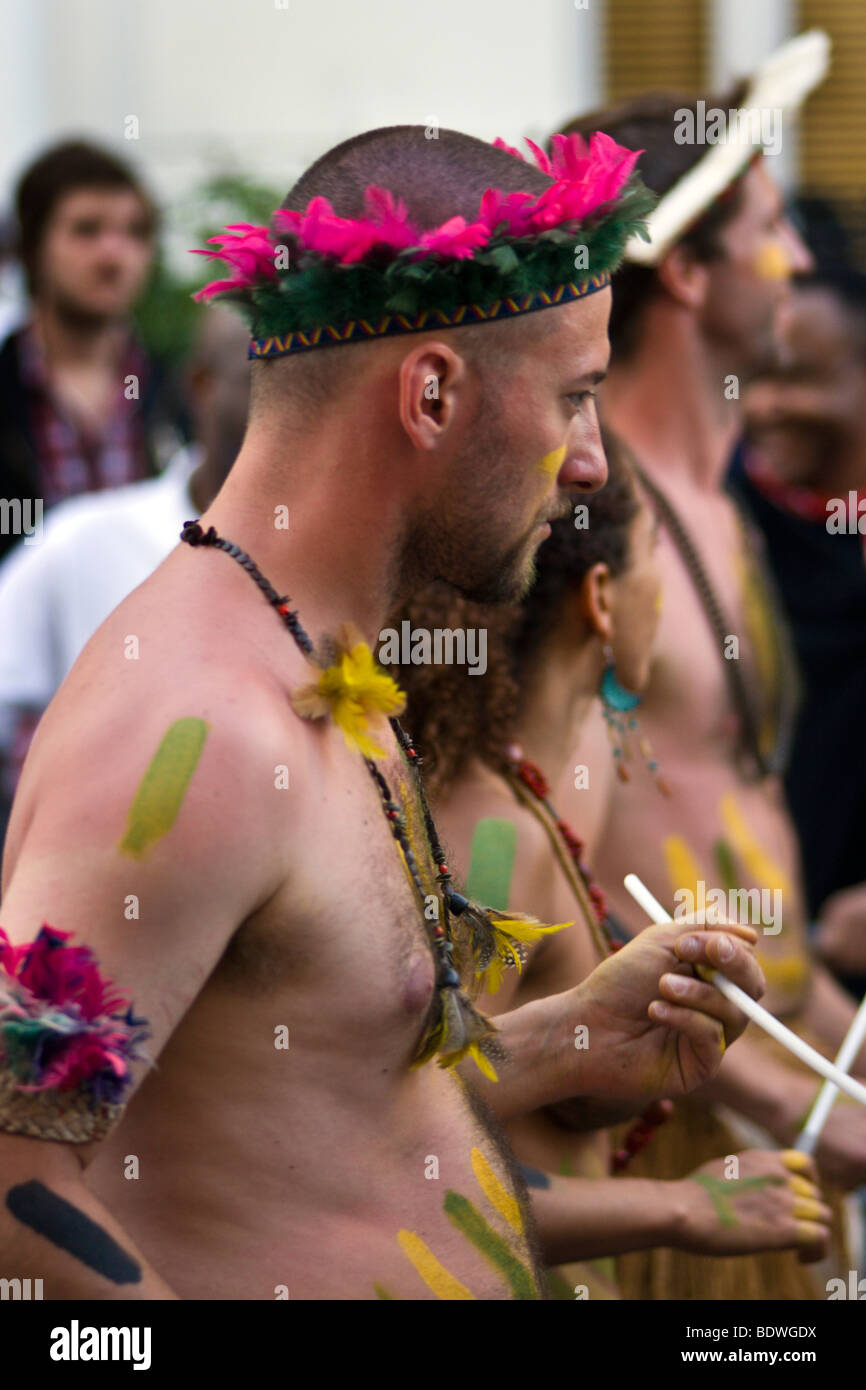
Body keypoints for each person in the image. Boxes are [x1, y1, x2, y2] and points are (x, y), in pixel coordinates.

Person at [0, 125, 763, 1301]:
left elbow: (305, 1095)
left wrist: (569, 1034)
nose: (591, 465)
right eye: (572, 399)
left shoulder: (324, 671)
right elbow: (14, 1178)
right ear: (431, 391)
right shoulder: (193, 727)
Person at [555, 75, 866, 1295]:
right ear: (684, 271)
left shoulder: (720, 505)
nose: (797, 260)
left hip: (776, 1074)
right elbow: (556, 872)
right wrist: (779, 1095)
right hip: (670, 1126)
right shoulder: (598, 527)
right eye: (769, 228)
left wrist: (824, 1034)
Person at [392, 438, 832, 1299]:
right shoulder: (494, 840)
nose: (662, 598)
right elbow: (408, 1153)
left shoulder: (521, 804)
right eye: (654, 565)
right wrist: (680, 1208)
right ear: (600, 599)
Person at [0, 305, 250, 851]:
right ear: (202, 385)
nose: (291, 410)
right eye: (261, 379)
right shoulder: (81, 540)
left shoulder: (366, 556)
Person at [732, 270, 866, 961]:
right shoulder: (727, 526)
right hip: (775, 953)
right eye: (753, 377)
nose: (764, 405)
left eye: (797, 378)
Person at [0, 140, 188, 565]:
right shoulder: (8, 387)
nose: (114, 255)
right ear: (32, 246)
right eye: (86, 230)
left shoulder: (181, 391)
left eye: (135, 233)